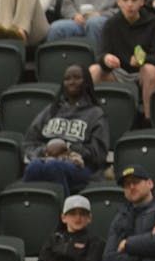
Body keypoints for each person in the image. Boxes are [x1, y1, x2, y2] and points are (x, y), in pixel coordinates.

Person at [89, 0, 155, 120]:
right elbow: (100, 54)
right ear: (118, 1)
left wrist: (143, 60)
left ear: (142, 1)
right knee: (94, 70)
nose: (129, 4)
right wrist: (106, 59)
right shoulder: (111, 25)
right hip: (119, 72)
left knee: (149, 69)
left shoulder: (154, 24)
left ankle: (148, 119)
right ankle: (90, 117)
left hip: (143, 74)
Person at [22, 64, 108, 193]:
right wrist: (46, 150)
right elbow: (29, 142)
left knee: (54, 167)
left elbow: (98, 154)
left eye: (77, 78)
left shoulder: (96, 113)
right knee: (33, 167)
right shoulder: (51, 110)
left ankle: (62, 209)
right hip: (48, 159)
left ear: (86, 82)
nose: (71, 82)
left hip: (82, 167)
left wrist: (68, 149)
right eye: (67, 79)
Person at [29, 195, 105, 261]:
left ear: (89, 218)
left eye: (82, 214)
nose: (78, 218)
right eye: (73, 213)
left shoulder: (95, 241)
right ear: (63, 218)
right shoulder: (54, 238)